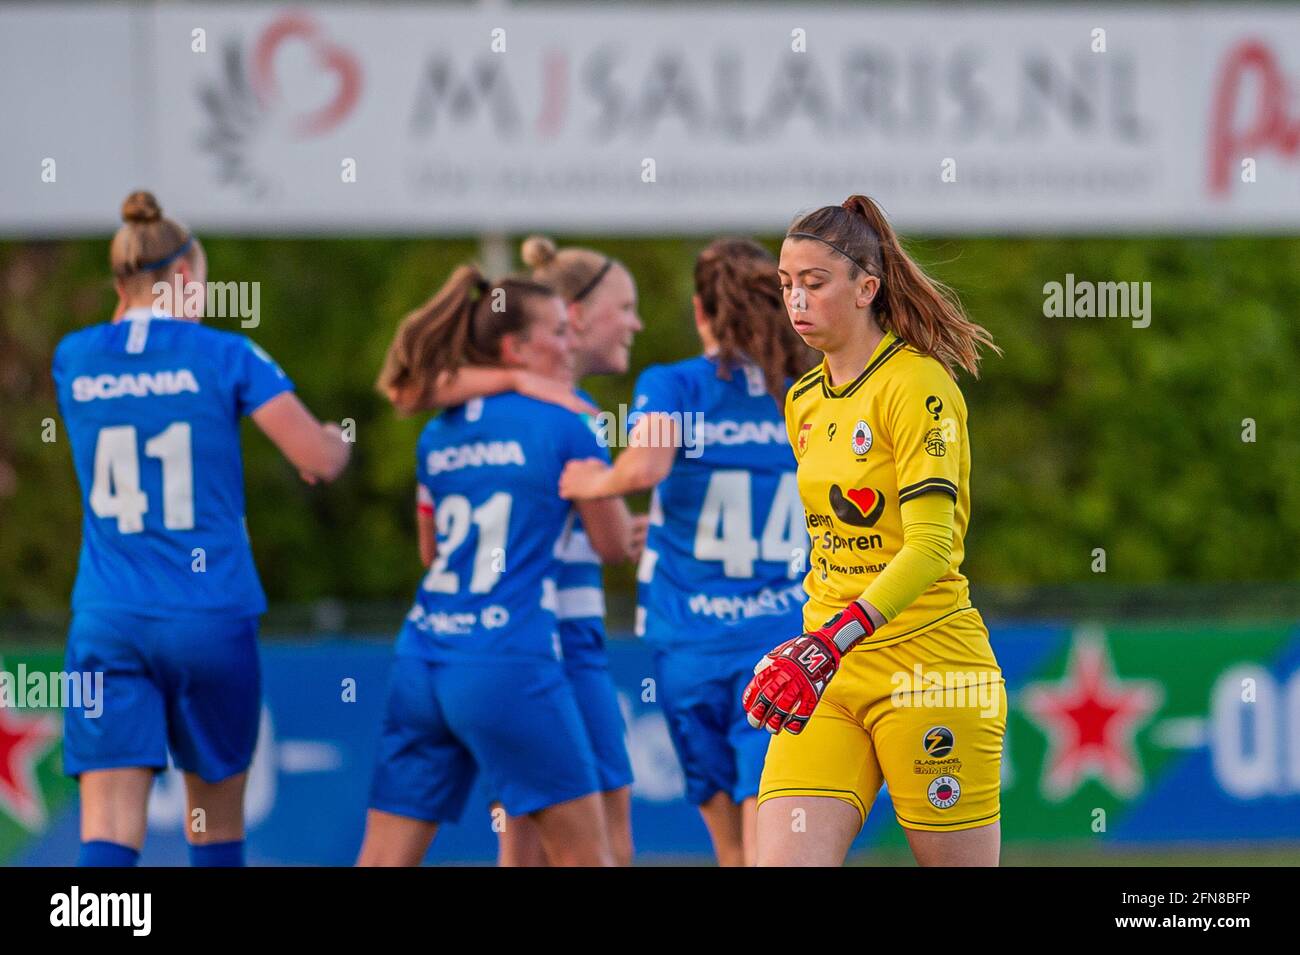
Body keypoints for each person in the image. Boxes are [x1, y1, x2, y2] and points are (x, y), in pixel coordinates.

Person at [52, 190, 351, 867]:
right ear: (185, 276)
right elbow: (317, 458)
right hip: (208, 616)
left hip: (109, 619)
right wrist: (334, 443)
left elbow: (126, 340)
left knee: (106, 830)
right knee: (214, 828)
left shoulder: (75, 358)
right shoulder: (224, 355)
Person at [742, 194, 1007, 867]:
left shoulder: (917, 385)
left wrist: (830, 641)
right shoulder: (802, 399)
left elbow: (930, 548)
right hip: (828, 673)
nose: (796, 300)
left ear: (866, 288)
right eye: (786, 284)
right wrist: (822, 648)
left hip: (930, 668)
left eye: (814, 283)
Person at [357, 265, 632, 866]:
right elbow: (610, 546)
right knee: (594, 857)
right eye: (558, 333)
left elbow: (431, 554)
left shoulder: (437, 432)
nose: (568, 344)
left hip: (424, 654)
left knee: (381, 861)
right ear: (514, 347)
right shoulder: (570, 420)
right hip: (508, 659)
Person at [560, 238, 814, 866]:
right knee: (772, 843)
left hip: (688, 640)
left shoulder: (674, 384)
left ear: (701, 310)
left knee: (731, 852)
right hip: (779, 641)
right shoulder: (803, 390)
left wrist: (590, 481)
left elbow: (645, 465)